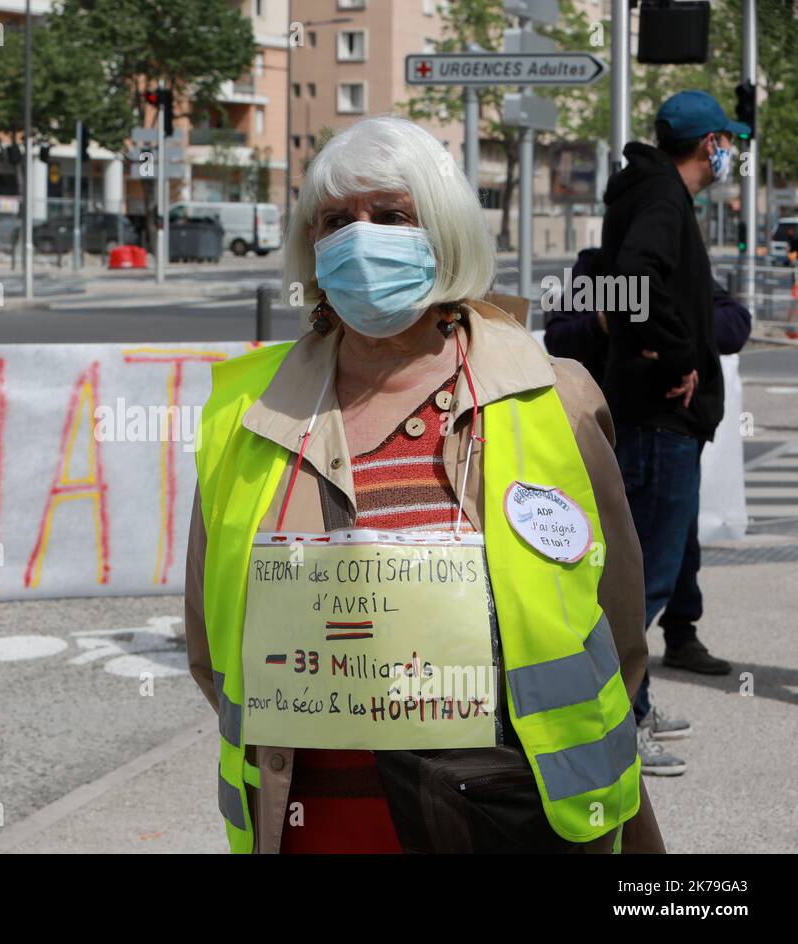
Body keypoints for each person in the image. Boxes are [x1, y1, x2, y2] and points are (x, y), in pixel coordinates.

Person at [184, 115, 663, 854]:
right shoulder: (248, 413)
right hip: (313, 821)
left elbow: (618, 629)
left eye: (392, 215)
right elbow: (213, 647)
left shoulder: (552, 398)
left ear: (443, 231)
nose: (359, 237)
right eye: (336, 220)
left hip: (514, 819)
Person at [595, 90, 744, 775]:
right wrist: (677, 355)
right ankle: (612, 726)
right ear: (706, 143)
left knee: (641, 571)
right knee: (640, 585)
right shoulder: (661, 199)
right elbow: (632, 280)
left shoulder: (647, 191)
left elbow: (619, 290)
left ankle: (638, 703)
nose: (731, 152)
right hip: (660, 418)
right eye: (726, 140)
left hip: (649, 413)